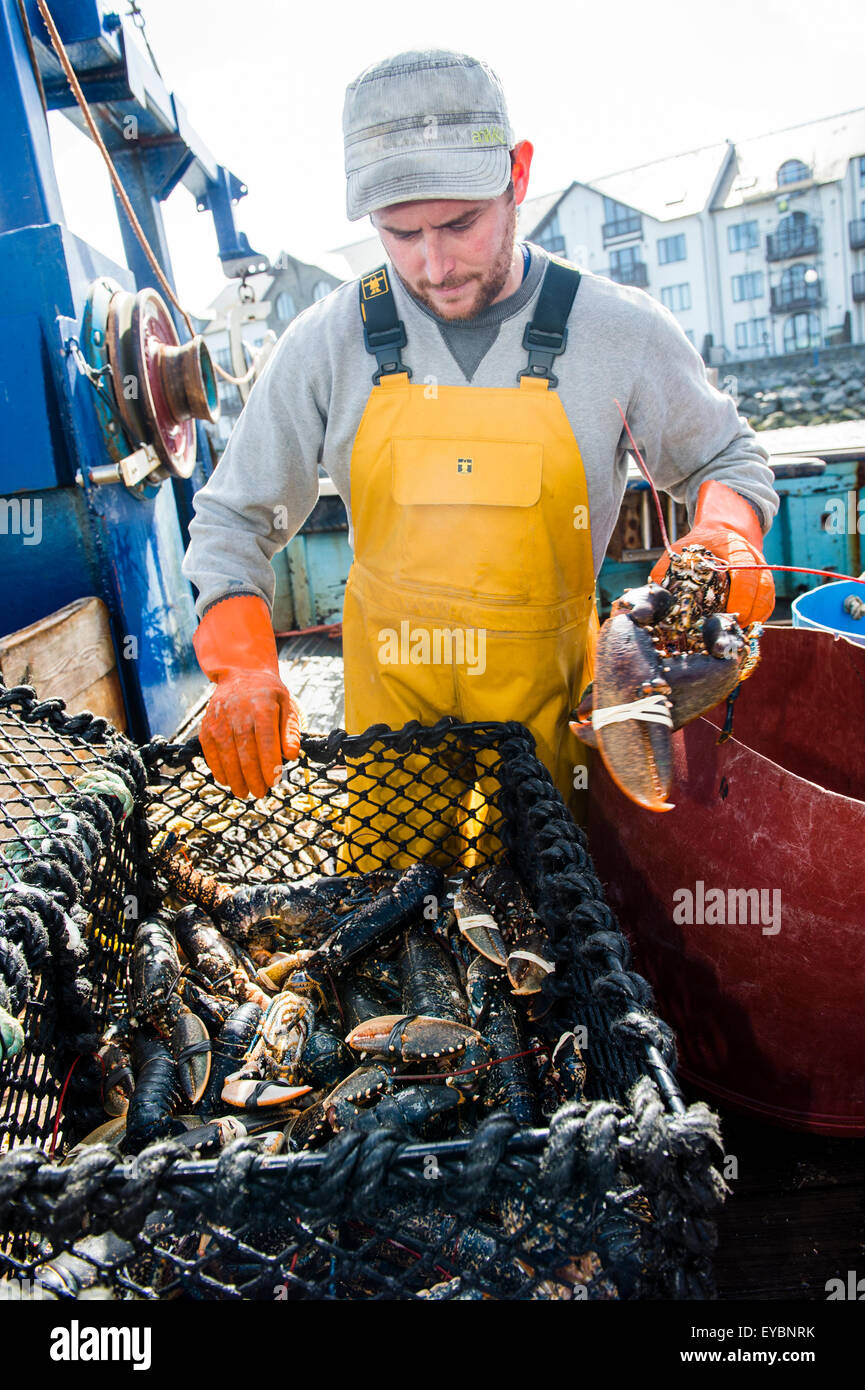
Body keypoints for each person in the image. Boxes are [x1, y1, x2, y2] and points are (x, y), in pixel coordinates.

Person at [182, 48, 777, 831]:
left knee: (557, 914)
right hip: (388, 738)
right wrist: (244, 667)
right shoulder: (326, 341)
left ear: (517, 177)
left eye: (460, 223)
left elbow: (726, 459)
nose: (432, 265)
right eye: (398, 234)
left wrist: (725, 535)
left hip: (552, 721)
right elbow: (232, 521)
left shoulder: (619, 331)